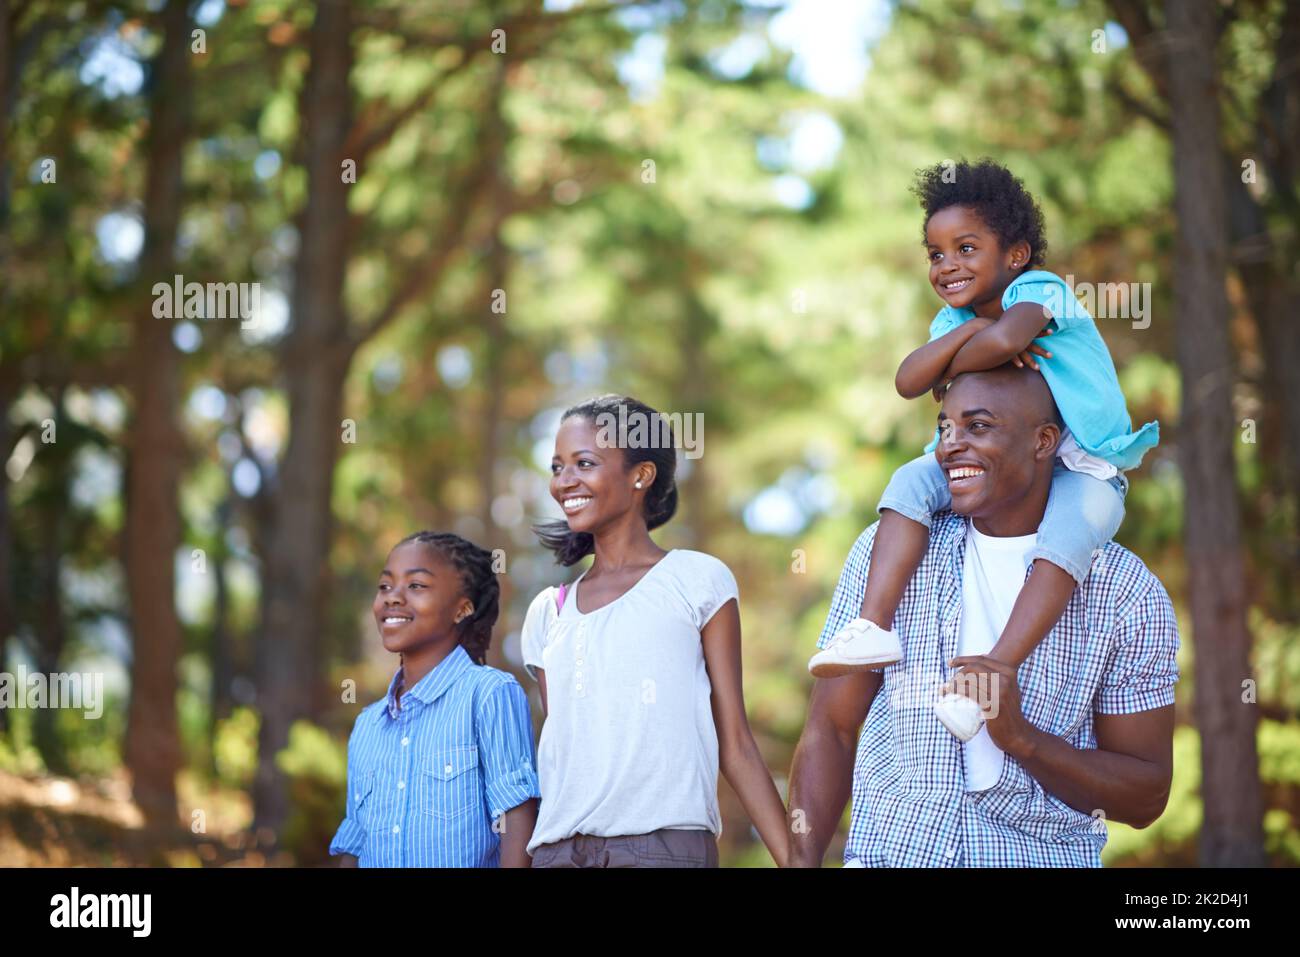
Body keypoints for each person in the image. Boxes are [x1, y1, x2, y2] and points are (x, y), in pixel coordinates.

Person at [808, 159, 1159, 743]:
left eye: (966, 247)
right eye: (936, 253)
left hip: (1081, 457)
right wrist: (971, 335)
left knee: (1068, 538)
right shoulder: (955, 317)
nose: (948, 266)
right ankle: (872, 624)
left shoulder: (1041, 289)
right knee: (906, 486)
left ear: (1015, 254)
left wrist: (976, 343)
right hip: (995, 456)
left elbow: (1006, 338)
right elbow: (908, 381)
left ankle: (996, 667)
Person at [789, 365, 1178, 867]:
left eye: (978, 427)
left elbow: (1145, 795)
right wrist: (801, 862)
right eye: (944, 428)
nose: (951, 445)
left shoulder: (1125, 591)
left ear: (1043, 441)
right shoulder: (888, 554)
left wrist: (1024, 741)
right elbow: (831, 729)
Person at [520, 394, 789, 867]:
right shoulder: (549, 612)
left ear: (641, 475)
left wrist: (795, 858)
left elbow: (737, 744)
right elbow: (571, 752)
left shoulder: (696, 580)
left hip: (660, 849)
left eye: (584, 463)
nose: (565, 482)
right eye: (557, 467)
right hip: (557, 853)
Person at [330, 532, 540, 867]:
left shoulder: (489, 695)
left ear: (462, 609)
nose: (393, 597)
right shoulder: (367, 725)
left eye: (416, 586)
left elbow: (517, 821)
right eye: (385, 586)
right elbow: (354, 843)